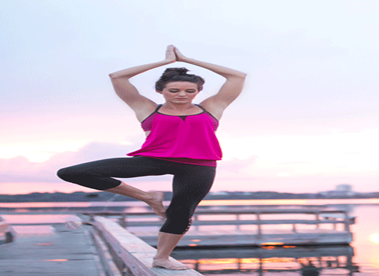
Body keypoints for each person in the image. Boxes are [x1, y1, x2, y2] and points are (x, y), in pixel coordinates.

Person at [57, 45, 245, 270]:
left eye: (189, 91)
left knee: (181, 212)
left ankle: (161, 258)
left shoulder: (212, 107)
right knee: (72, 172)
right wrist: (165, 63)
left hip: (199, 165)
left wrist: (188, 60)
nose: (182, 95)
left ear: (198, 91)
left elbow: (236, 76)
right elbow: (118, 77)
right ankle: (148, 197)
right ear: (161, 91)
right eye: (173, 91)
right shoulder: (146, 107)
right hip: (154, 159)